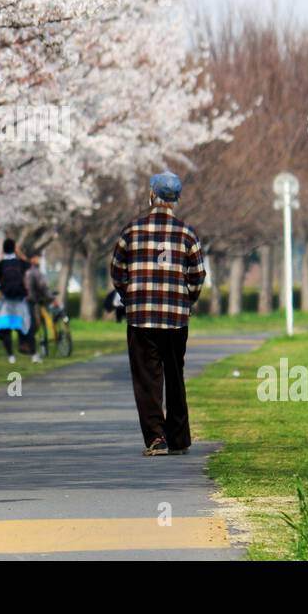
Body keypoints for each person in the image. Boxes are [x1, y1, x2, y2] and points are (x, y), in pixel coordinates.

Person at [109, 171, 206, 456]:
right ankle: (179, 438)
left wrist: (130, 296)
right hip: (176, 316)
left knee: (147, 378)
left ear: (152, 194)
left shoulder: (132, 230)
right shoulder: (187, 232)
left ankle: (156, 439)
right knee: (175, 374)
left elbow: (117, 270)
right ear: (176, 199)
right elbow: (198, 275)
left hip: (141, 316)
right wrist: (187, 299)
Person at [0, 238, 38, 362]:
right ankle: (33, 354)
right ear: (14, 249)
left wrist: (1, 258)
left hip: (5, 301)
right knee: (25, 326)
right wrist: (19, 253)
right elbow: (28, 265)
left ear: (3, 250)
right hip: (20, 300)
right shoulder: (20, 263)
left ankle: (11, 356)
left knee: (5, 329)